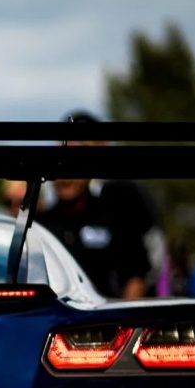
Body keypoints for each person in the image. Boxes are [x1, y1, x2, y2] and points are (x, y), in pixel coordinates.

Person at [37, 111, 161, 300]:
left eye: (77, 161)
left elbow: (137, 272)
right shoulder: (40, 225)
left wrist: (124, 322)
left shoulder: (120, 206)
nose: (66, 177)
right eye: (60, 163)